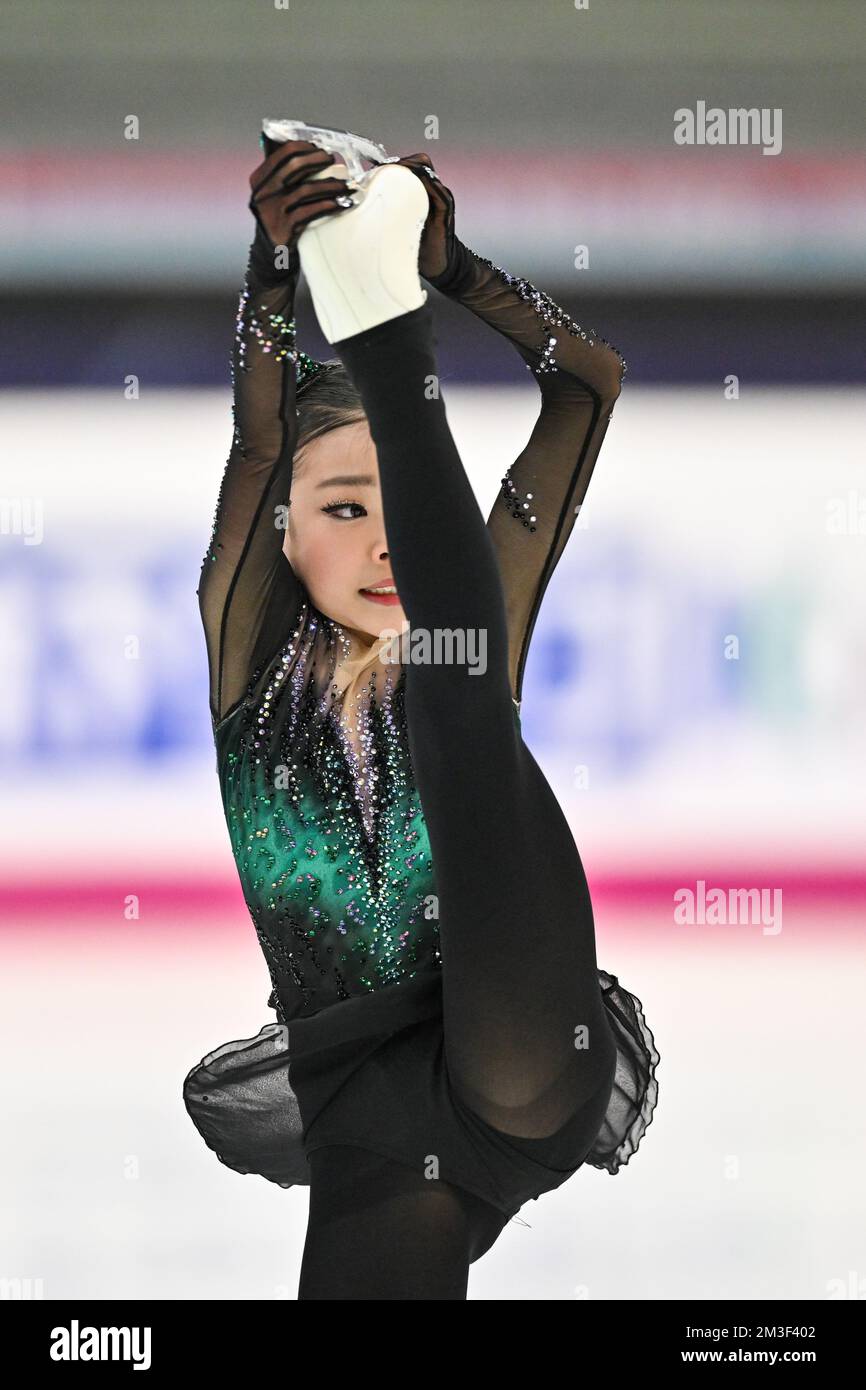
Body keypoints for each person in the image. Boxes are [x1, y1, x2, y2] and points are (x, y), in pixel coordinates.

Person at [184, 138, 660, 1300]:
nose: (384, 541)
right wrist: (270, 266)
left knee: (456, 679)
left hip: (519, 1036)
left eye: (401, 504)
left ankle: (391, 339)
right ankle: (380, 334)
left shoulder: (460, 608)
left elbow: (585, 379)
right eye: (344, 507)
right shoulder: (246, 649)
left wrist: (450, 267)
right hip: (370, 1097)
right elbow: (258, 442)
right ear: (285, 532)